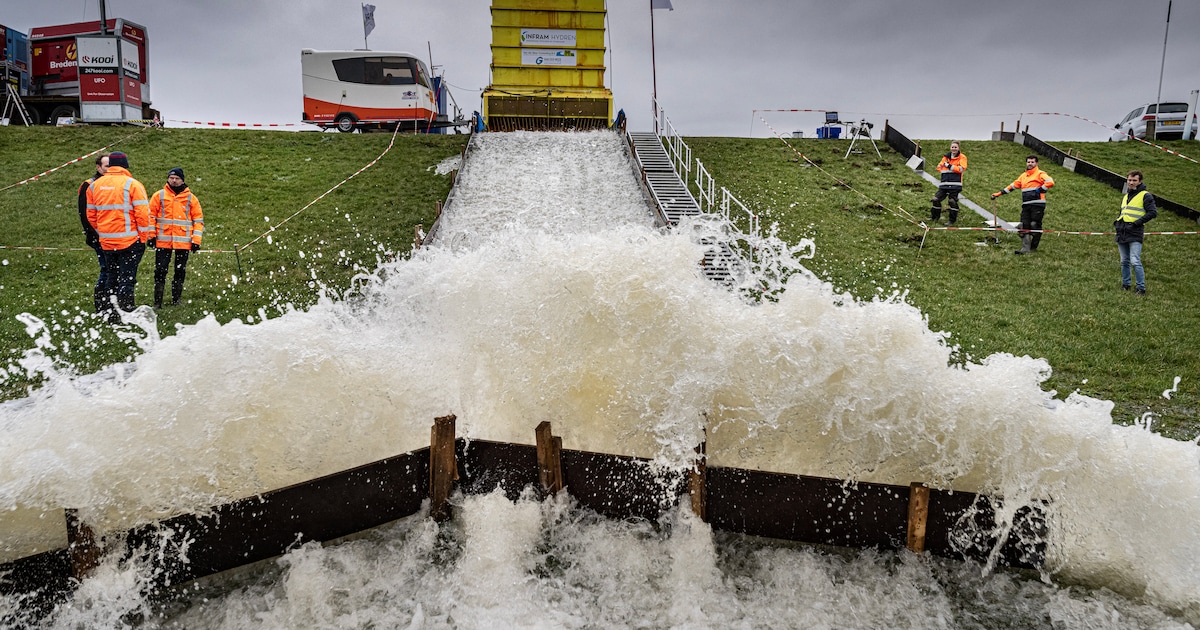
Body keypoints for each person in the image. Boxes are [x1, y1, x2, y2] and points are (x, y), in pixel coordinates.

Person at [86, 151, 152, 320]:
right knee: (127, 278)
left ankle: (111, 312)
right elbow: (143, 215)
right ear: (125, 165)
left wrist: (103, 233)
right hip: (130, 241)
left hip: (107, 242)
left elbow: (91, 216)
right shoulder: (133, 184)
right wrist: (142, 238)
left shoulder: (94, 185)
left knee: (112, 277)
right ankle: (127, 312)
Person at [148, 167, 204, 307]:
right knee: (160, 271)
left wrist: (196, 241)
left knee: (180, 271)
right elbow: (150, 217)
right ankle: (157, 302)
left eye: (177, 178)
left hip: (184, 243)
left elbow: (198, 221)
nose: (173, 180)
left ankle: (176, 299)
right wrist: (151, 236)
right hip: (162, 241)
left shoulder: (191, 198)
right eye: (171, 177)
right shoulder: (158, 196)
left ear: (182, 180)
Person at [991, 155, 1055, 255]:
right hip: (1026, 205)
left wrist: (1039, 190)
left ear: (1036, 163)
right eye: (1028, 162)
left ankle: (1034, 245)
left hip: (1038, 204)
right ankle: (1025, 249)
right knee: (1024, 226)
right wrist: (998, 194)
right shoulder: (1023, 176)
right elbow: (1012, 186)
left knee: (1034, 225)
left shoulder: (1040, 173)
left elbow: (1050, 182)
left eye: (1032, 162)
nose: (1030, 164)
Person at [78, 153, 111, 315]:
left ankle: (110, 303)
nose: (110, 169)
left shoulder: (113, 184)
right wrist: (95, 236)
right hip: (99, 236)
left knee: (112, 269)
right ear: (98, 167)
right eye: (106, 166)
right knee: (106, 269)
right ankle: (101, 305)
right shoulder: (89, 185)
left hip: (113, 237)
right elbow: (85, 215)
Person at [1114, 170, 1157, 295]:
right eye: (1129, 180)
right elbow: (1123, 212)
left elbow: (1153, 212)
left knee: (1135, 260)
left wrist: (1136, 223)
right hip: (1122, 231)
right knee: (1124, 261)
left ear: (1140, 181)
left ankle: (1140, 288)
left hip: (1135, 231)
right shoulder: (1126, 196)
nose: (1131, 182)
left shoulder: (1145, 195)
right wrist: (1117, 222)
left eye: (1134, 180)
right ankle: (1126, 284)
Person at [931, 140, 967, 226]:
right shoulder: (946, 157)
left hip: (955, 185)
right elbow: (939, 167)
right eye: (952, 147)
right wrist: (946, 167)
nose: (954, 149)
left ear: (958, 148)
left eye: (955, 147)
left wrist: (949, 166)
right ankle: (934, 217)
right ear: (950, 148)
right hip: (944, 184)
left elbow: (961, 169)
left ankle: (952, 220)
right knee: (935, 199)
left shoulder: (962, 157)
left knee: (952, 201)